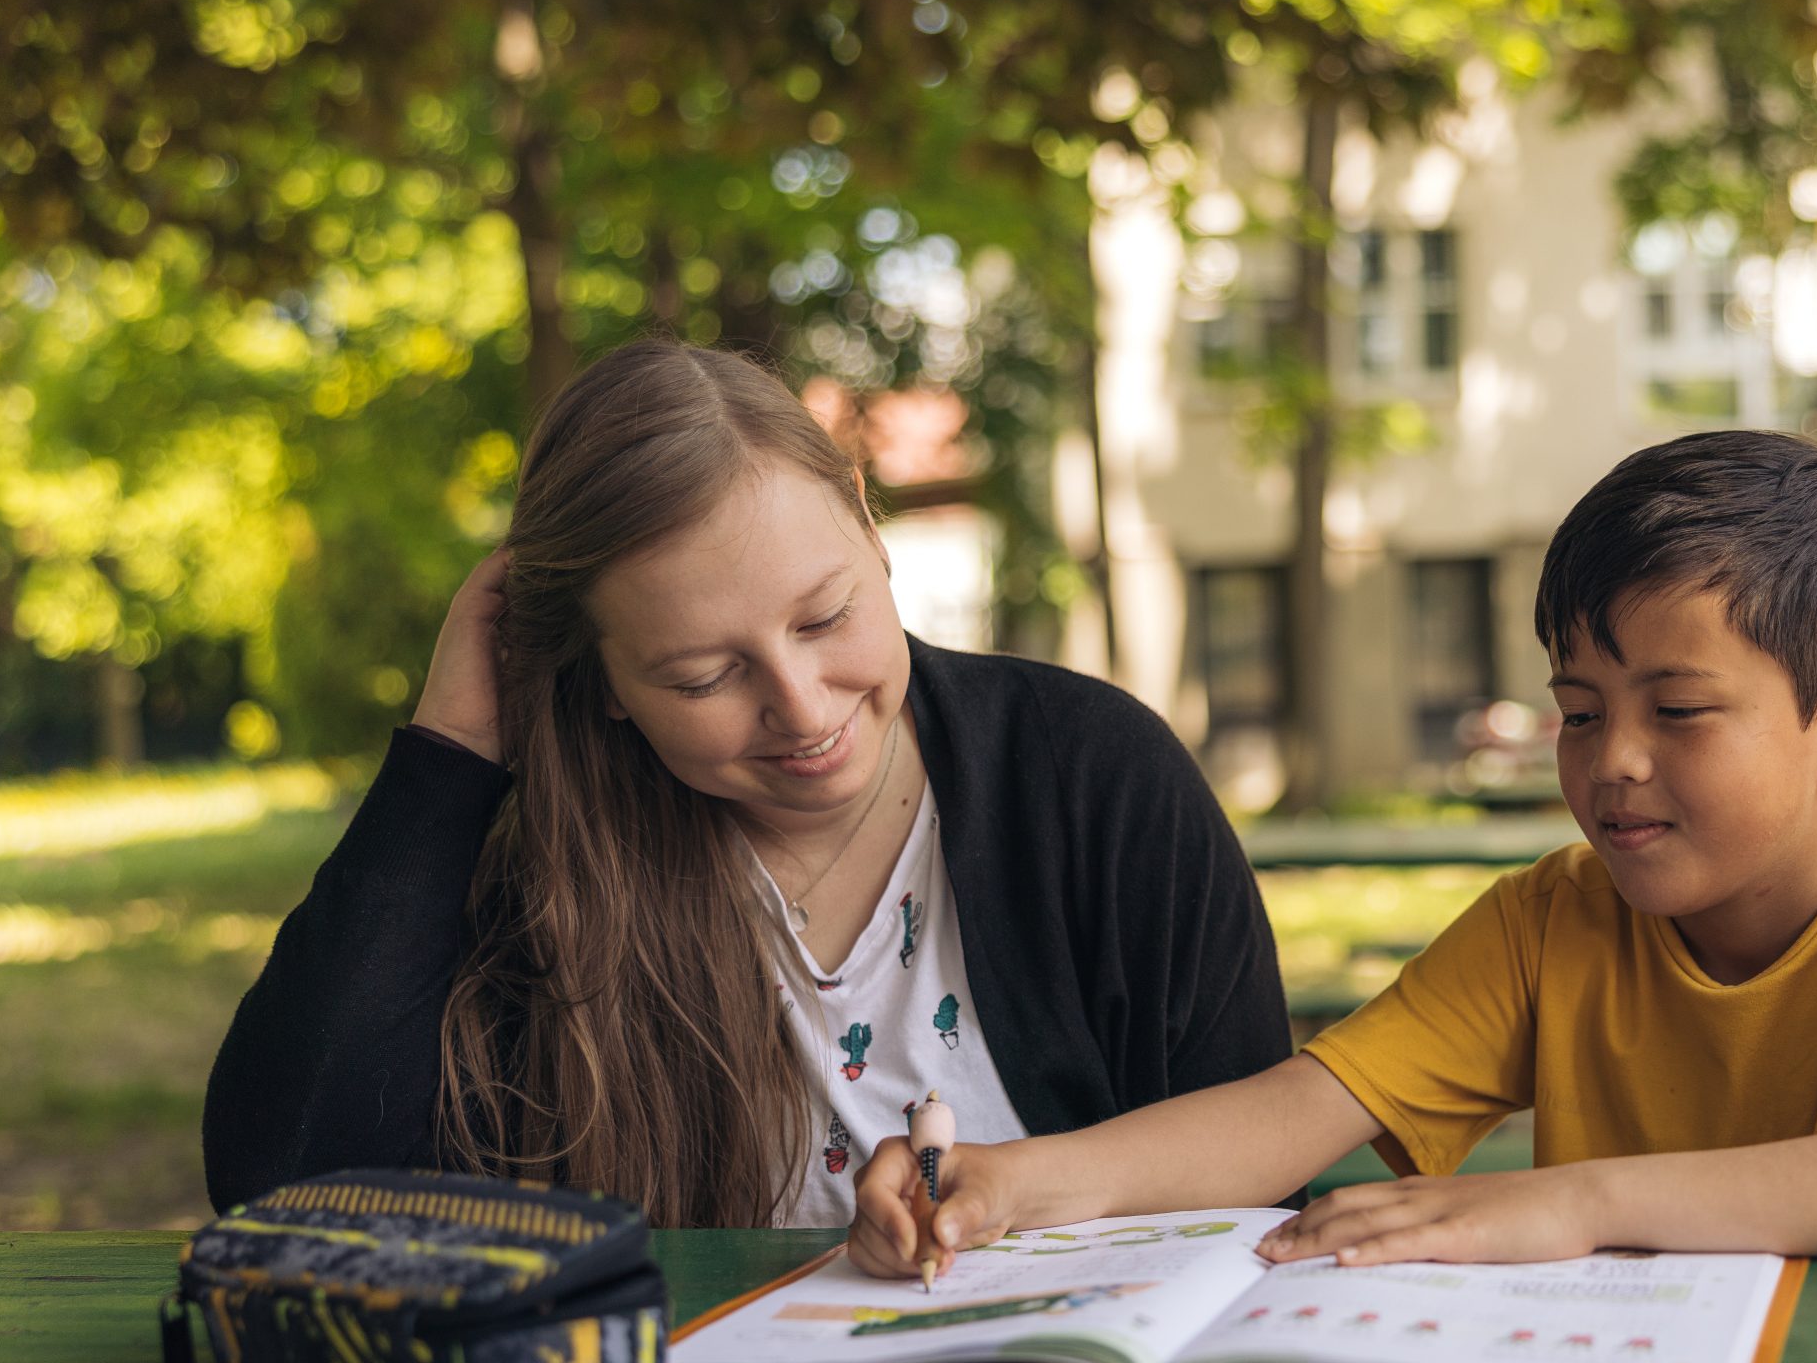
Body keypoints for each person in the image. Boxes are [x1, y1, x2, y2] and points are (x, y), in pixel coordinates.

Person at [852, 430, 1817, 1275]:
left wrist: (1585, 1199)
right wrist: (1005, 1183)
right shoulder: (1551, 921)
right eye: (1576, 711)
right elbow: (1282, 1119)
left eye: (1675, 711)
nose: (1610, 759)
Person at [204, 339, 1289, 1227]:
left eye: (826, 619)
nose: (804, 708)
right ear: (609, 683)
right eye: (703, 675)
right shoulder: (553, 863)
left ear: (869, 525)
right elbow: (286, 1186)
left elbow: (1250, 1165)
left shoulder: (1088, 777)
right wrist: (448, 757)